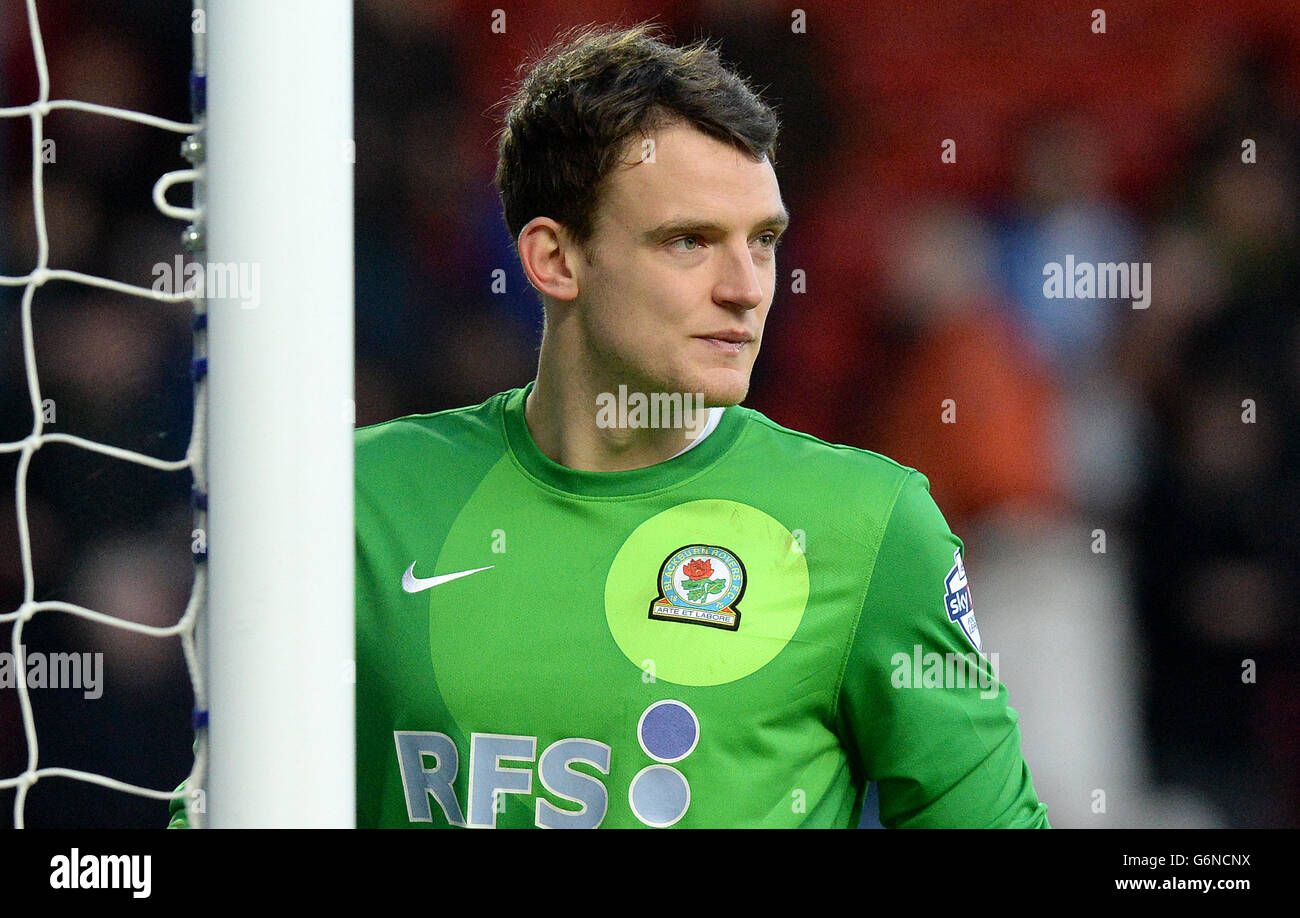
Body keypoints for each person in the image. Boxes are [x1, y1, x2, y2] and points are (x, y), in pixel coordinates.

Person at [173, 22, 1049, 829]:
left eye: (764, 240)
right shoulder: (356, 500)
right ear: (555, 259)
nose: (746, 287)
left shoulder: (871, 526)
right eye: (689, 241)